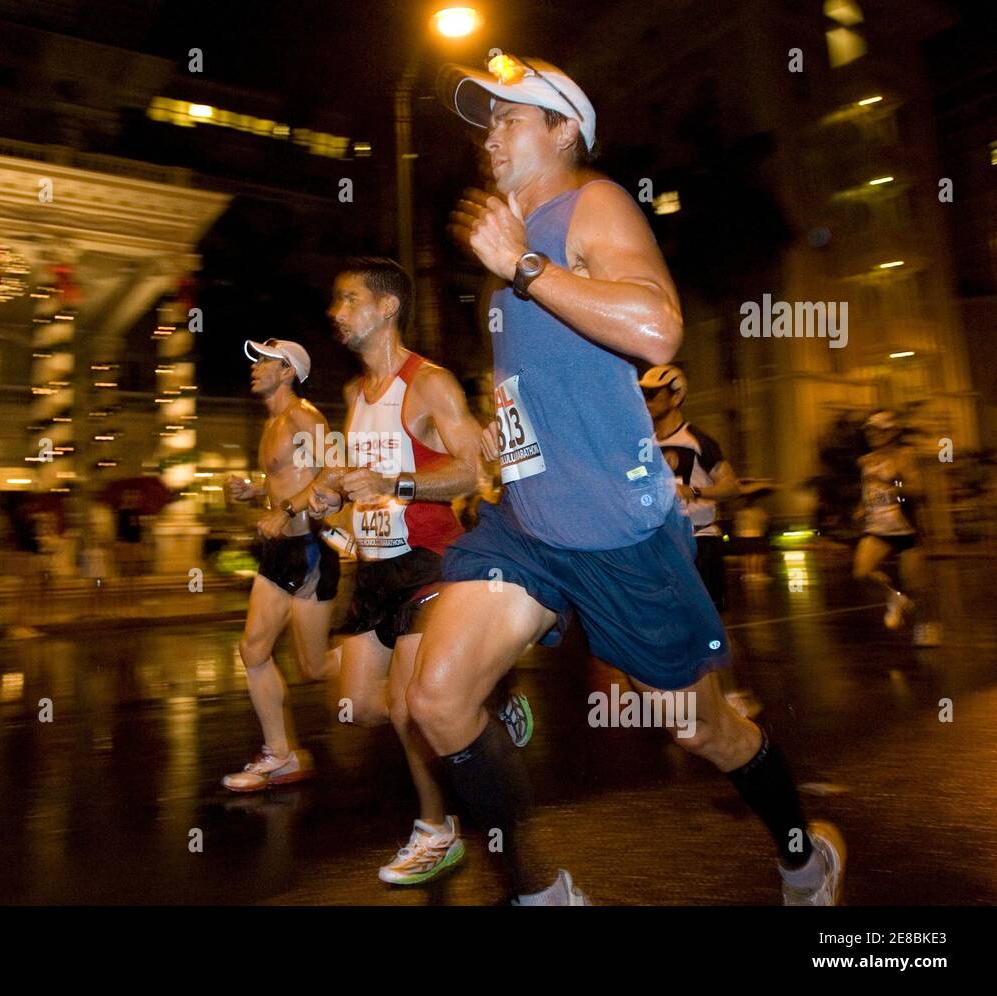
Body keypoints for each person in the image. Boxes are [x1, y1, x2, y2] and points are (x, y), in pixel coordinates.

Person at [403, 53, 844, 905]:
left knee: (699, 727)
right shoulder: (506, 240)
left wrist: (523, 266)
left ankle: (802, 856)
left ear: (563, 130)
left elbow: (658, 327)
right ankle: (541, 896)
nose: (489, 136)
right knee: (436, 697)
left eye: (509, 118)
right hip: (527, 522)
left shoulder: (591, 206)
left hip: (614, 527)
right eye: (484, 121)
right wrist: (508, 433)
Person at [287, 257, 531, 885]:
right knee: (359, 704)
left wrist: (395, 481)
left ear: (386, 307)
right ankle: (490, 694)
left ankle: (436, 831)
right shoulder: (353, 394)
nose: (335, 313)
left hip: (430, 563)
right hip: (374, 570)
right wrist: (329, 489)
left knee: (408, 706)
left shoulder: (430, 384)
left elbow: (467, 473)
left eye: (348, 299)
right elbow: (356, 471)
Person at [221, 338, 341, 791]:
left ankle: (401, 670)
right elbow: (291, 478)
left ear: (287, 371)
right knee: (253, 650)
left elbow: (334, 474)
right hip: (278, 554)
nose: (254, 368)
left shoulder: (302, 417)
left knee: (313, 667)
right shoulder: (272, 423)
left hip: (308, 547)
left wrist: (286, 511)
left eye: (265, 362)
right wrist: (255, 491)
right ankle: (281, 754)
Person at [640, 364, 740, 611]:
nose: (646, 400)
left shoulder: (697, 440)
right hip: (661, 542)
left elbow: (731, 486)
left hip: (700, 540)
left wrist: (694, 492)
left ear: (676, 397)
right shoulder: (645, 444)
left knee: (709, 620)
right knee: (668, 617)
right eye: (643, 394)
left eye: (653, 394)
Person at [853, 410, 939, 646]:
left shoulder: (904, 456)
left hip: (906, 529)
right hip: (878, 528)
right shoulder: (866, 461)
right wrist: (861, 507)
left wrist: (893, 483)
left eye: (879, 430)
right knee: (861, 572)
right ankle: (894, 598)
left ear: (892, 432)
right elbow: (868, 491)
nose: (873, 435)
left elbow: (916, 489)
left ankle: (926, 627)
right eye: (869, 430)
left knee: (916, 585)